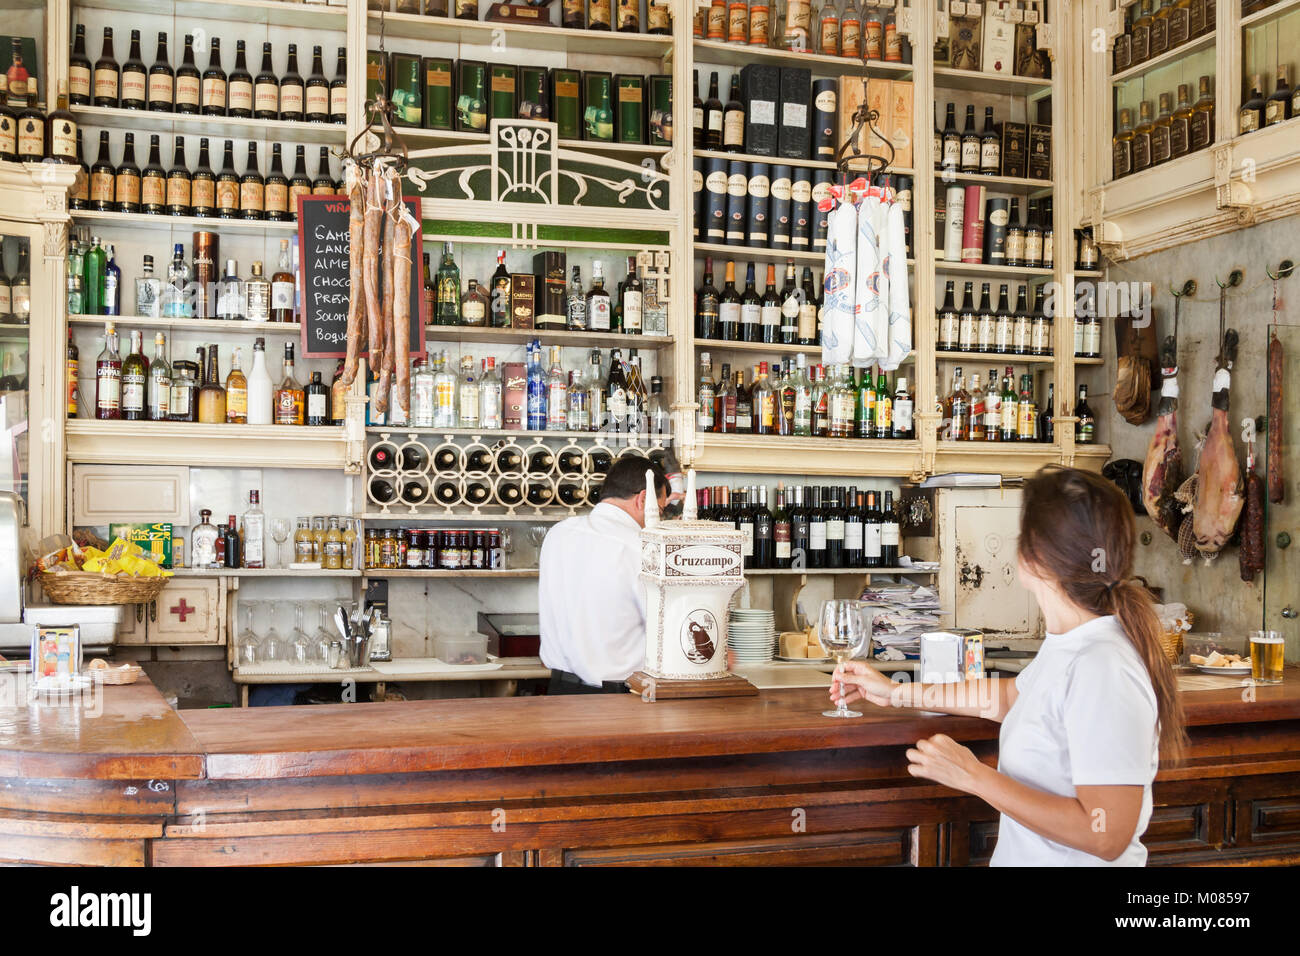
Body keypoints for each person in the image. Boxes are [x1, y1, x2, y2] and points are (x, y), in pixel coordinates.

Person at [831, 466, 1187, 865]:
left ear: (1033, 557)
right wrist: (896, 692)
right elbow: (1011, 698)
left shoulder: (1103, 666)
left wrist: (974, 776)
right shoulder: (1073, 645)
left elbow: (1105, 835)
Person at [539, 457, 670, 695]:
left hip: (559, 693)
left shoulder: (558, 533)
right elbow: (666, 628)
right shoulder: (640, 547)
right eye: (660, 510)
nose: (658, 520)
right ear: (643, 499)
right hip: (617, 699)